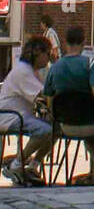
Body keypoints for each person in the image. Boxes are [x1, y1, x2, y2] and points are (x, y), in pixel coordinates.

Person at [44, 24, 94, 184]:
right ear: (84, 43)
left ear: (65, 43)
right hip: (92, 125)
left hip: (65, 125)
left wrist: (55, 114)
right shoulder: (90, 64)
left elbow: (49, 97)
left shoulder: (55, 67)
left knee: (84, 115)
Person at [0, 37, 54, 185]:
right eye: (47, 54)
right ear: (38, 53)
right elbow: (43, 93)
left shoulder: (31, 70)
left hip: (18, 115)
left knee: (55, 129)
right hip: (10, 117)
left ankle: (33, 166)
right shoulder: (24, 71)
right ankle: (16, 165)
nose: (48, 58)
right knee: (46, 130)